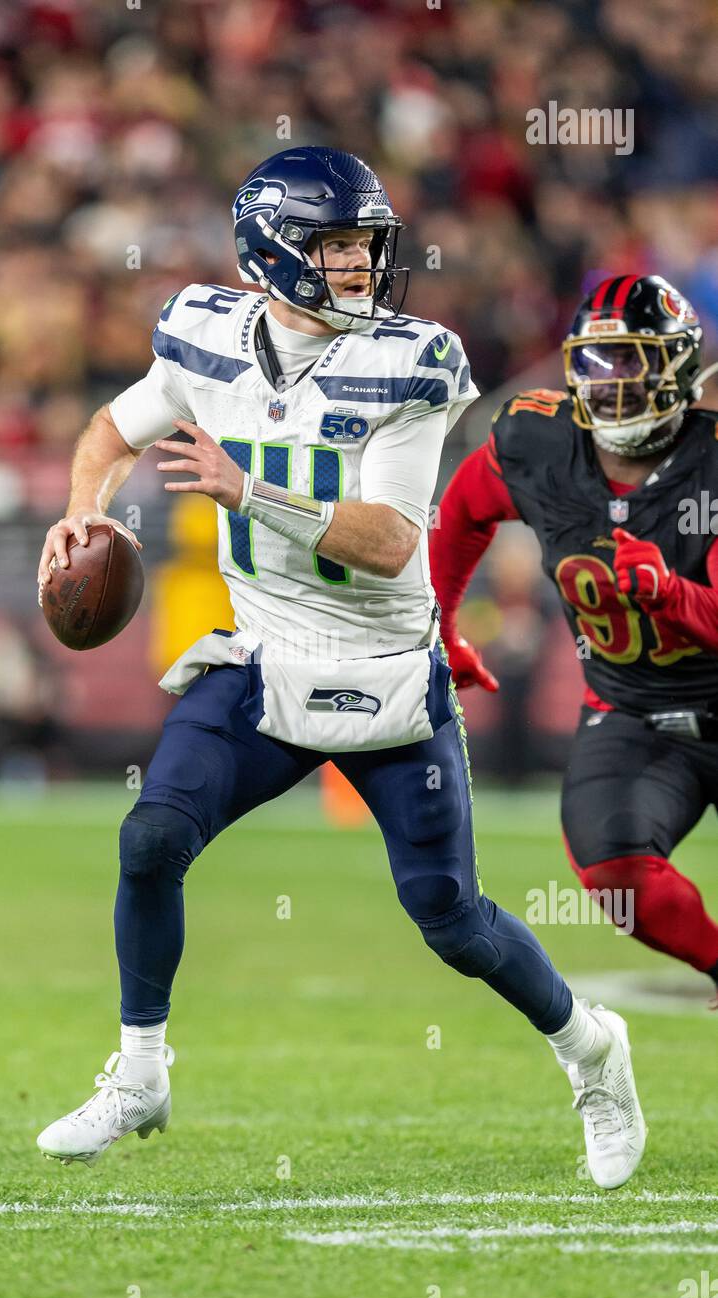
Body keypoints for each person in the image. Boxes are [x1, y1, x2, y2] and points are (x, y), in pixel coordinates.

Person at [36, 148, 645, 1187]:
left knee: (449, 919)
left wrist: (247, 492)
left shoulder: (412, 362)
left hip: (384, 675)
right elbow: (109, 428)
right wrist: (81, 508)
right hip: (264, 662)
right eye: (335, 246)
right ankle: (140, 1072)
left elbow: (390, 541)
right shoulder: (206, 335)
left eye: (366, 244)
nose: (360, 264)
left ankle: (591, 1049)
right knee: (150, 839)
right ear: (274, 250)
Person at [431, 274, 718, 999]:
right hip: (632, 712)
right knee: (613, 869)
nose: (612, 383)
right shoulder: (541, 442)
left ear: (679, 367)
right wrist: (443, 626)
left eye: (632, 361)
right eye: (597, 362)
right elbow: (463, 508)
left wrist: (668, 592)